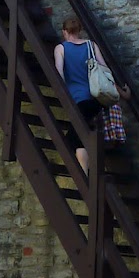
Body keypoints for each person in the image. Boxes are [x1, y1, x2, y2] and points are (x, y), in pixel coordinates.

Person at [53, 15, 125, 173]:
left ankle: (86, 174)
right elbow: (105, 70)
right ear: (79, 30)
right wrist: (121, 92)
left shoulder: (61, 48)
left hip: (77, 99)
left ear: (64, 31)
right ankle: (88, 172)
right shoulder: (91, 45)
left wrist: (63, 96)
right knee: (81, 133)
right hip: (96, 97)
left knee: (73, 138)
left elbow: (59, 74)